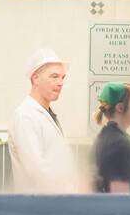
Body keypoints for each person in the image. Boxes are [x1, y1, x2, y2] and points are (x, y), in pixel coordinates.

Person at [8, 47, 79, 194]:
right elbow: (37, 170)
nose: (60, 83)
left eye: (62, 77)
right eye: (54, 76)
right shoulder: (25, 116)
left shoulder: (46, 114)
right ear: (35, 78)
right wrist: (71, 191)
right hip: (36, 207)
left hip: (51, 203)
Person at [92, 82, 130, 193]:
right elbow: (120, 197)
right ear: (120, 108)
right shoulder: (119, 144)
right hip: (128, 208)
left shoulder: (107, 136)